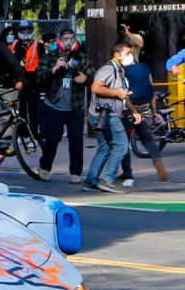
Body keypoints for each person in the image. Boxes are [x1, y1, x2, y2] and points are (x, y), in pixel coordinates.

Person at [35, 29, 91, 182]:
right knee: (52, 140)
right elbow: (39, 76)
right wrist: (54, 69)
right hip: (54, 106)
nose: (68, 41)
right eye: (65, 38)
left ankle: (76, 172)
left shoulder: (81, 57)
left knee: (76, 141)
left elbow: (91, 76)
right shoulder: (50, 57)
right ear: (59, 40)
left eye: (71, 38)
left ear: (75, 41)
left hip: (75, 106)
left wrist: (85, 78)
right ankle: (45, 167)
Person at [85, 42, 140, 193]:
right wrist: (117, 93)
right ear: (117, 54)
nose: (130, 56)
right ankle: (107, 179)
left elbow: (123, 93)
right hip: (106, 115)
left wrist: (133, 110)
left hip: (102, 115)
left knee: (105, 147)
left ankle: (91, 180)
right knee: (122, 146)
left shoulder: (120, 70)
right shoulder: (108, 69)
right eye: (128, 53)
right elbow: (95, 88)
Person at [119, 44, 169, 185]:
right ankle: (157, 161)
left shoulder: (122, 71)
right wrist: (153, 111)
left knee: (124, 142)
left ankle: (128, 174)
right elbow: (152, 92)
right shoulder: (144, 69)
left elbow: (123, 94)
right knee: (148, 140)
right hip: (145, 108)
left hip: (128, 110)